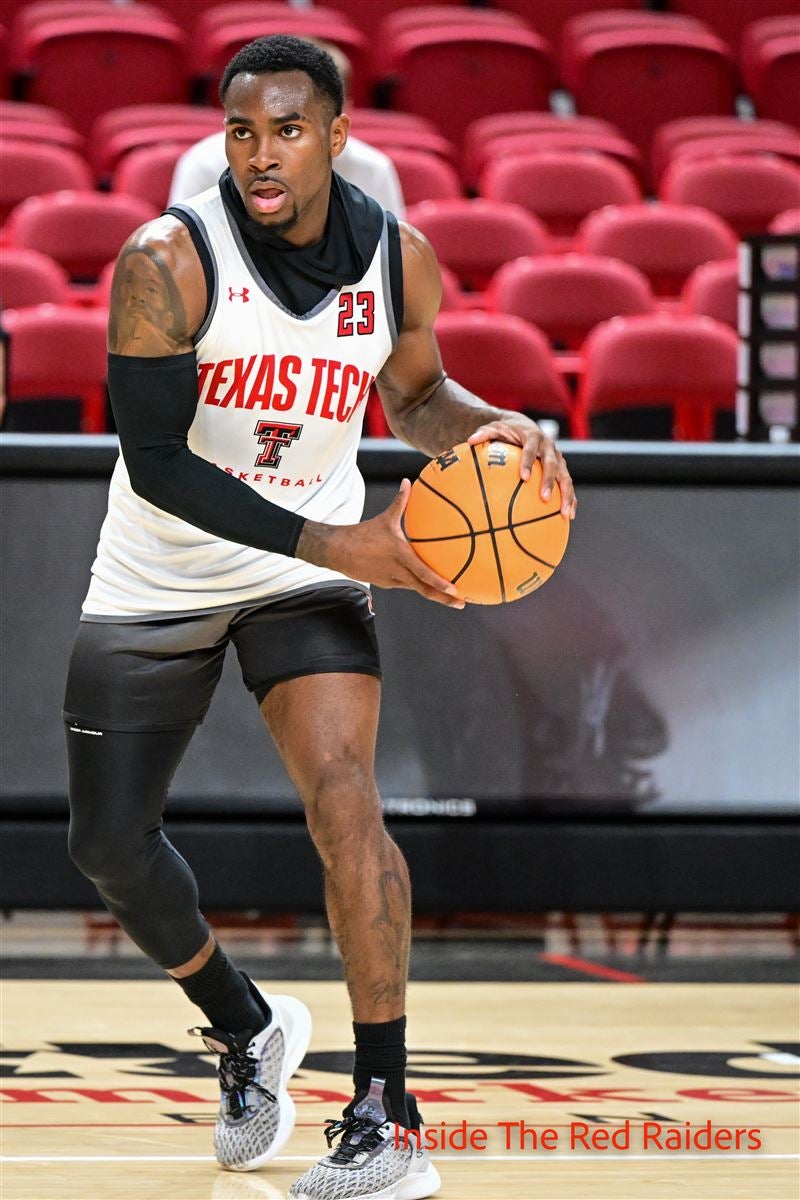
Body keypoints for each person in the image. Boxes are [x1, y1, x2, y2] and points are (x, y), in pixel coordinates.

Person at [63, 35, 576, 1200]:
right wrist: (347, 543)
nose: (260, 153)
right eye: (241, 131)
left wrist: (494, 425)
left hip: (306, 574)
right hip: (159, 574)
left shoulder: (399, 259)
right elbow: (154, 466)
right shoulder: (166, 260)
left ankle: (386, 1112)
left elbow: (414, 395)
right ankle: (248, 1030)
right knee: (106, 850)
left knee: (347, 798)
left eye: (287, 129)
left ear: (340, 138)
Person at [169, 41, 405, 216]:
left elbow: (391, 265)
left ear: (341, 121)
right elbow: (180, 257)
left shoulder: (374, 169)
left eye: (290, 129)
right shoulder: (203, 164)